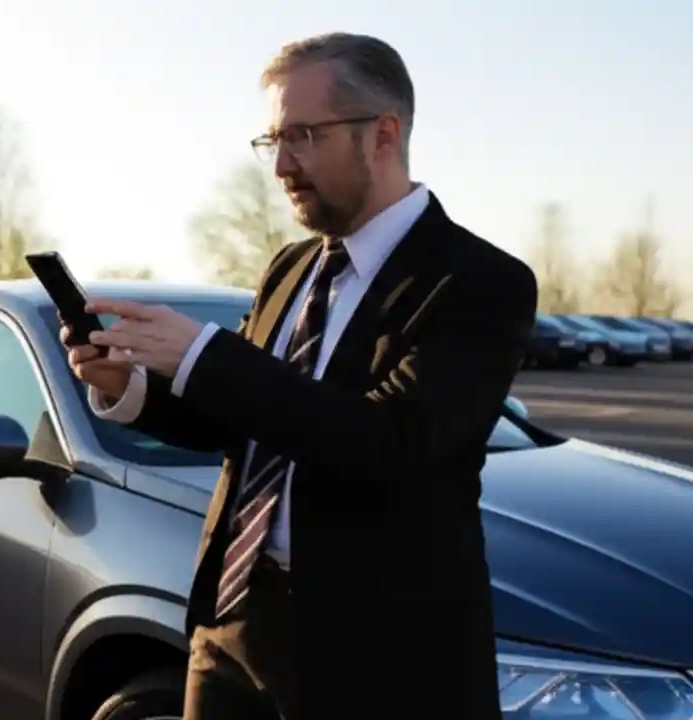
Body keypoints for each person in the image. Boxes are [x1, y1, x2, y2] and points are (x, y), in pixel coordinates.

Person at [60, 32, 537, 720]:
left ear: (384, 133)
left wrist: (203, 356)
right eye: (272, 140)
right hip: (230, 628)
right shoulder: (290, 267)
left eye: (304, 136)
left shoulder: (479, 282)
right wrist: (126, 386)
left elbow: (390, 442)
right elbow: (247, 423)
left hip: (375, 662)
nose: (281, 163)